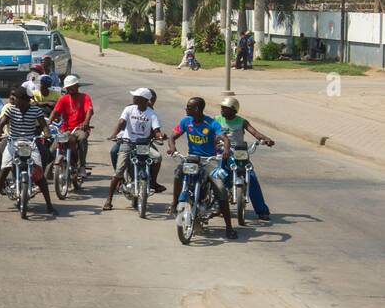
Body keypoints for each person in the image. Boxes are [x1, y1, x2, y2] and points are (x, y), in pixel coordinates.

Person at [166, 96, 237, 239]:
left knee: (221, 189)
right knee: (178, 172)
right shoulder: (186, 121)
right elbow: (172, 136)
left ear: (197, 109)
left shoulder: (211, 123)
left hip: (208, 161)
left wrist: (226, 150)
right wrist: (172, 148)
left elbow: (225, 138)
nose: (186, 109)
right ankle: (174, 203)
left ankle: (229, 227)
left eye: (189, 107)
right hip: (191, 159)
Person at [0, 86, 55, 216]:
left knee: (39, 173)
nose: (14, 100)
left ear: (24, 100)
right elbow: (1, 124)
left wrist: (47, 133)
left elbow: (43, 125)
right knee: (4, 171)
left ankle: (49, 206)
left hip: (30, 142)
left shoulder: (36, 110)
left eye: (17, 98)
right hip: (13, 141)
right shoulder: (11, 110)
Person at [103, 87, 166, 211]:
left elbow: (156, 130)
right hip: (128, 143)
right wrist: (114, 134)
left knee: (157, 157)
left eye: (136, 96)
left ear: (143, 99)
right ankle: (109, 199)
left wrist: (161, 136)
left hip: (143, 145)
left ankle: (152, 181)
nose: (133, 98)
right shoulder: (129, 109)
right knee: (118, 171)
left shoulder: (151, 114)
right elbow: (121, 122)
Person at [217, 95, 274, 220]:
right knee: (218, 176)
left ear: (233, 109)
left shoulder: (242, 121)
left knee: (251, 177)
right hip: (222, 152)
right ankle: (218, 204)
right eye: (221, 108)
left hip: (239, 153)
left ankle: (262, 210)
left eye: (225, 108)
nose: (222, 111)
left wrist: (266, 139)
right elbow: (210, 132)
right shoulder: (216, 120)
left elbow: (255, 133)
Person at [49, 75, 93, 177]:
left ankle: (82, 166)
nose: (70, 89)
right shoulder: (63, 99)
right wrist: (49, 122)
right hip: (65, 129)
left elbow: (89, 110)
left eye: (72, 86)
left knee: (82, 139)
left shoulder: (85, 97)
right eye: (68, 87)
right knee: (52, 149)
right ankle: (51, 169)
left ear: (77, 86)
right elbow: (55, 111)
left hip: (80, 128)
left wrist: (86, 122)